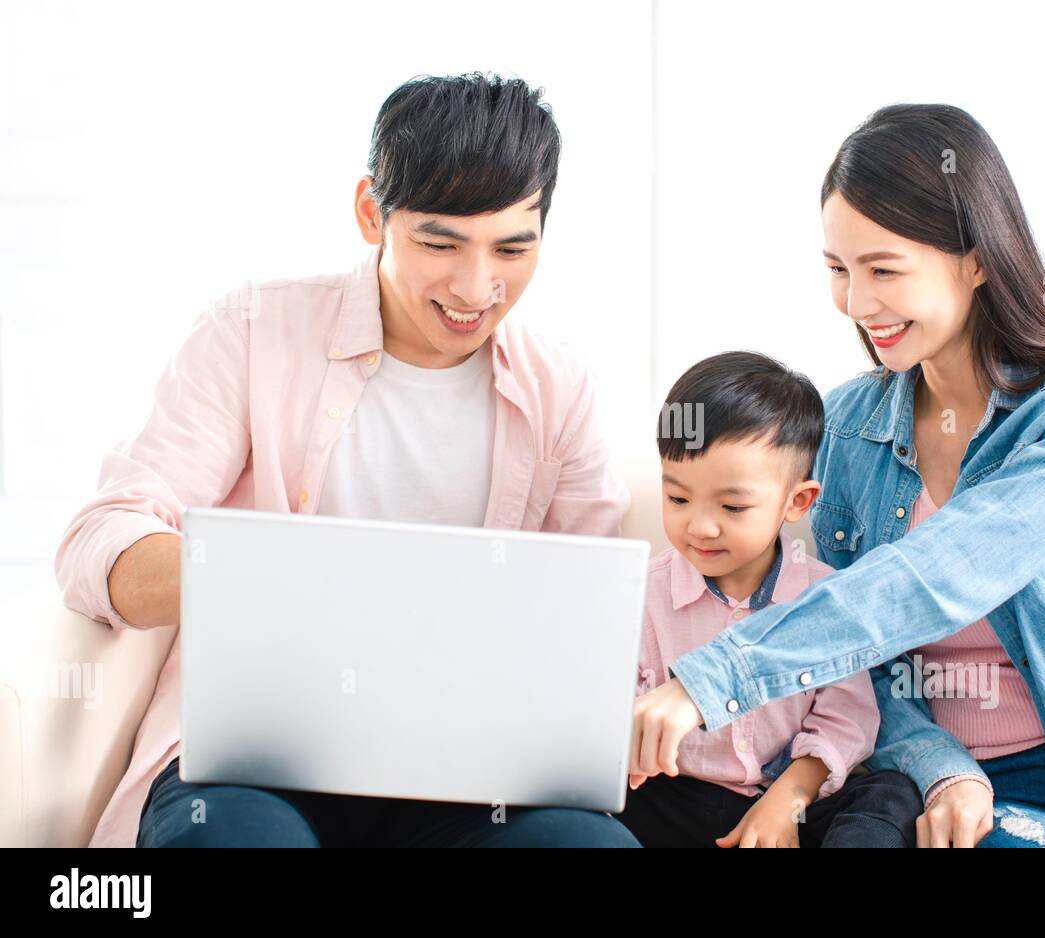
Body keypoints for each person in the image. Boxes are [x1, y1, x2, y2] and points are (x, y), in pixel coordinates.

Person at [626, 103, 1045, 848]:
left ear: (977, 259)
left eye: (883, 269)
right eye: (839, 270)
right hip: (981, 789)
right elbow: (858, 658)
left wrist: (712, 679)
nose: (857, 304)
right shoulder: (841, 431)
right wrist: (941, 768)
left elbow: (953, 565)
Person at [57, 72, 638, 847]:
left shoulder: (560, 386)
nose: (476, 286)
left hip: (475, 775)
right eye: (440, 242)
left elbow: (590, 611)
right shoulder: (252, 329)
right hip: (259, 762)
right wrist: (270, 578)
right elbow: (101, 541)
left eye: (511, 248)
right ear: (373, 212)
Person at [618, 352, 923, 847]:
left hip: (794, 802)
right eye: (677, 499)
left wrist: (787, 801)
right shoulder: (641, 593)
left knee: (892, 795)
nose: (699, 526)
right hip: (678, 798)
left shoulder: (824, 597)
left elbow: (846, 720)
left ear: (797, 502)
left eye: (732, 506)